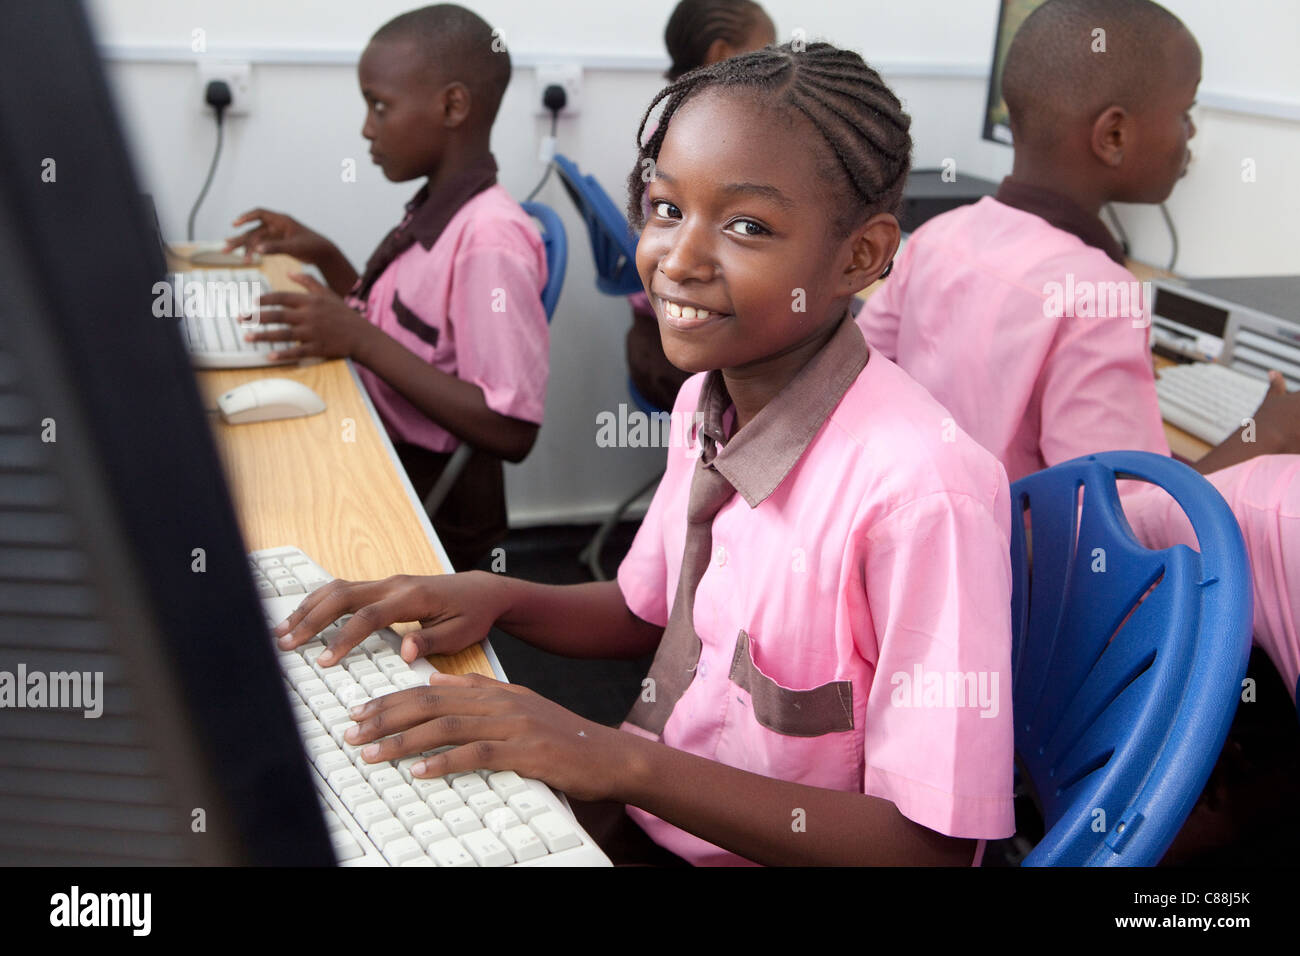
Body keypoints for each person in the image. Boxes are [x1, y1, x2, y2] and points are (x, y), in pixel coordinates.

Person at [274, 42, 1015, 867]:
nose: (679, 261)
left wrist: (610, 758)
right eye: (665, 209)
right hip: (653, 807)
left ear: (862, 257)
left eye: (746, 226)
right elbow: (653, 612)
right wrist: (498, 596)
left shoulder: (923, 491)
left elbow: (929, 851)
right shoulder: (709, 397)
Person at [857, 0, 1300, 860]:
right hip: (1041, 628)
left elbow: (868, 387)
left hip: (937, 594)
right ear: (1114, 136)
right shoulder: (1095, 293)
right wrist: (1260, 435)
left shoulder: (940, 238)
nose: (1192, 139)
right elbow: (1123, 530)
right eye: (1188, 112)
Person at [224, 5, 549, 572]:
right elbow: (409, 329)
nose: (367, 128)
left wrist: (357, 339)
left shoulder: (489, 238)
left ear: (452, 105)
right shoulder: (438, 206)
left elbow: (512, 428)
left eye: (379, 105)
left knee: (248, 497)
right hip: (381, 440)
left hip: (430, 500)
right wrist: (324, 253)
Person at [626, 0, 776, 413]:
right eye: (767, 52)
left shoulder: (670, 125)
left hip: (656, 329)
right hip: (677, 339)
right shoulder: (708, 142)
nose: (778, 69)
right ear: (724, 55)